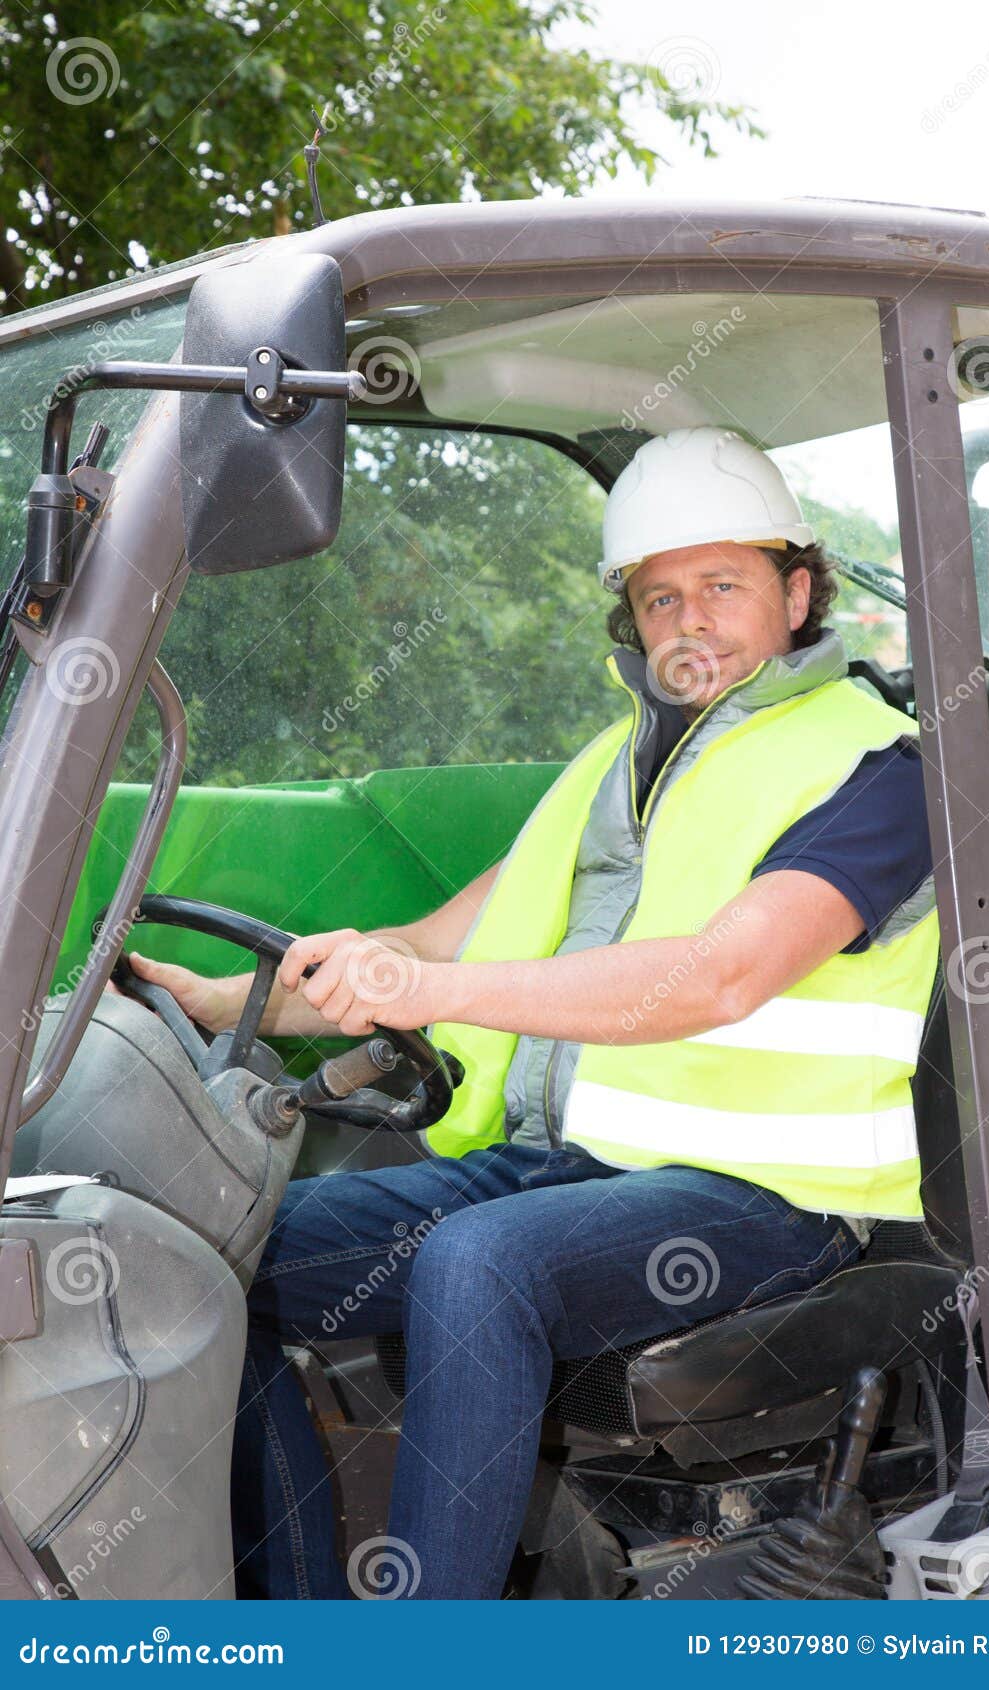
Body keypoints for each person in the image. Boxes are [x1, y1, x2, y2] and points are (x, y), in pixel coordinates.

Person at [130, 425, 936, 1600]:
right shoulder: (612, 769)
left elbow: (719, 973)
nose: (689, 620)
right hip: (564, 1166)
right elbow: (429, 940)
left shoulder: (879, 768)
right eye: (660, 597)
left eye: (721, 585)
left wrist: (430, 990)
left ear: (797, 591)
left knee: (476, 1263)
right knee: (203, 1253)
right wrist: (210, 1000)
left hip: (767, 1204)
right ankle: (295, 1621)